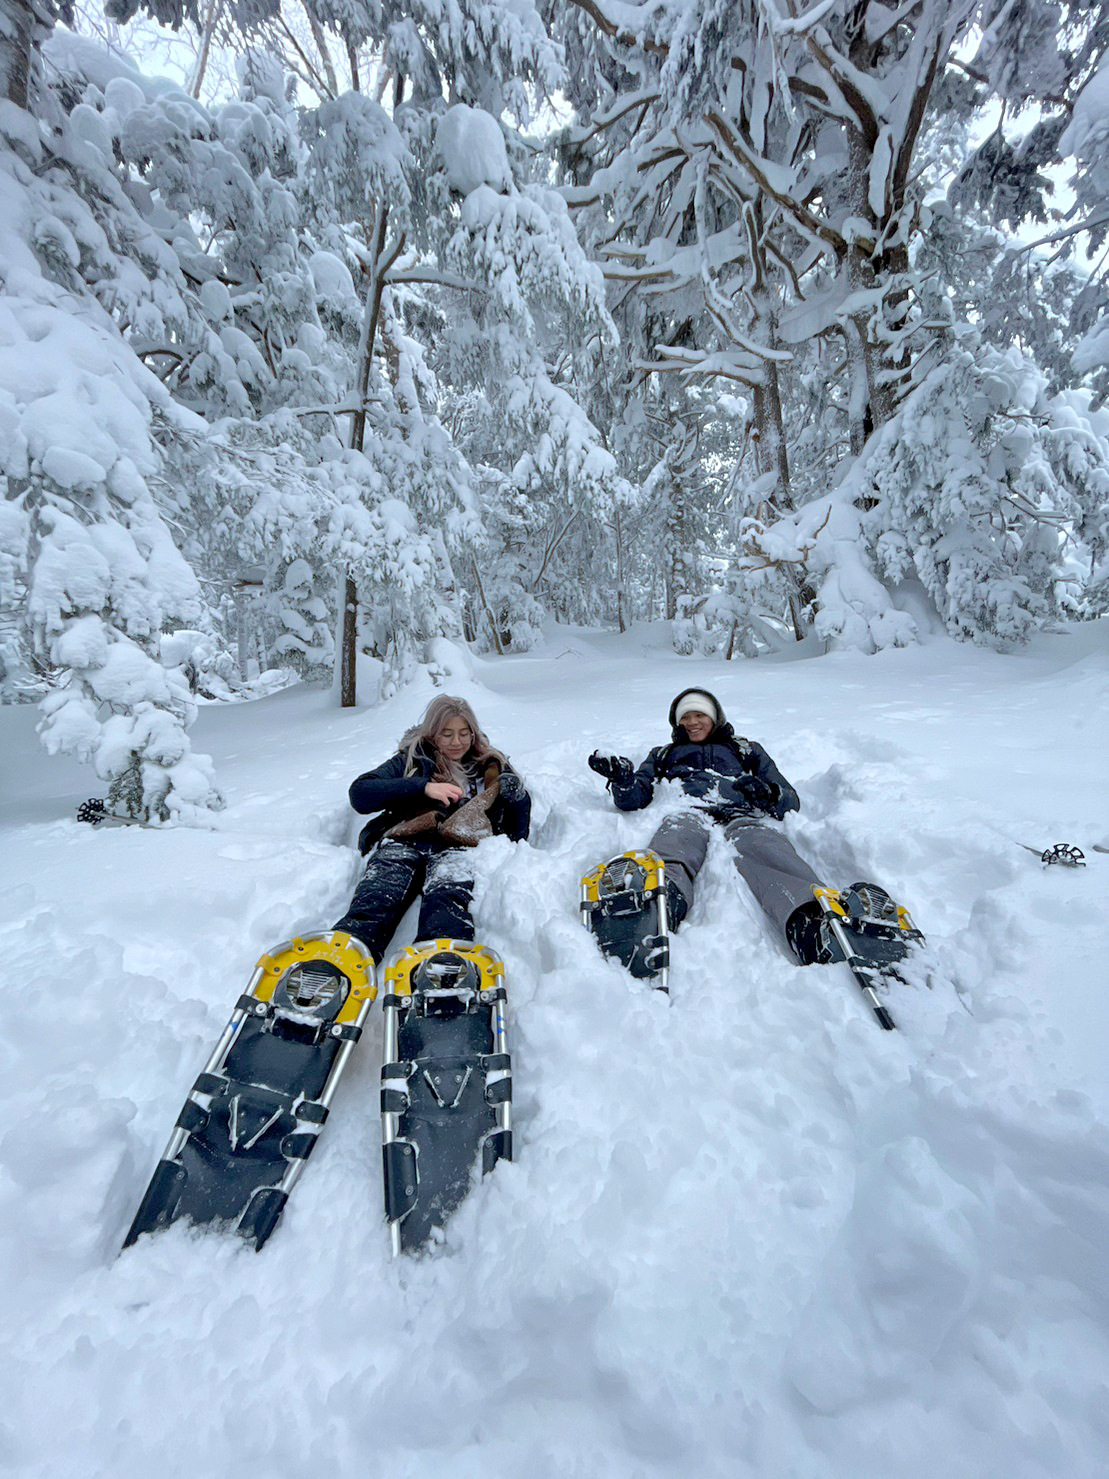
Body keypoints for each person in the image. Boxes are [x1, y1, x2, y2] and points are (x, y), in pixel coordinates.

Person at [588, 687, 902, 967]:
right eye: (685, 717)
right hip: (687, 809)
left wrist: (768, 794)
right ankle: (654, 905)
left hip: (740, 815)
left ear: (715, 718)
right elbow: (635, 798)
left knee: (767, 849)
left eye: (700, 715)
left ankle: (813, 924)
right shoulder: (664, 754)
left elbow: (788, 799)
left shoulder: (745, 748)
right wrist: (622, 780)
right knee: (674, 844)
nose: (693, 722)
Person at [333, 695, 530, 962]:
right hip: (405, 840)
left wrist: (518, 798)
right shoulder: (413, 759)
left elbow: (518, 835)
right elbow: (360, 793)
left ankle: (442, 966)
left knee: (448, 902)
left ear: (473, 733)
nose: (456, 741)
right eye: (446, 734)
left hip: (459, 847)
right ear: (432, 734)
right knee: (378, 895)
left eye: (463, 733)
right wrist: (422, 787)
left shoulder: (491, 767)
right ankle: (341, 959)